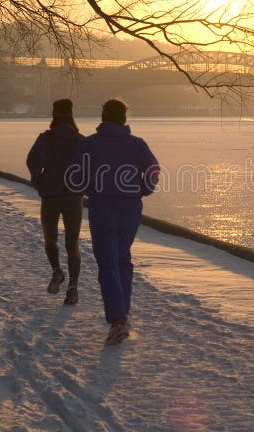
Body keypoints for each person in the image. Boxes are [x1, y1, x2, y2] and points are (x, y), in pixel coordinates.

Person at [80, 99, 159, 345]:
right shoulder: (136, 144)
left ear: (103, 117)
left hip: (102, 207)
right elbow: (154, 169)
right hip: (129, 208)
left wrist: (90, 189)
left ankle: (118, 319)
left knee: (107, 263)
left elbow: (75, 173)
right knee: (122, 258)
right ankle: (123, 312)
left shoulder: (89, 144)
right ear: (124, 119)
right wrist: (143, 189)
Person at [26, 99, 85, 305]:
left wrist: (37, 179)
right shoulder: (80, 140)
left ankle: (57, 271)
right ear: (71, 114)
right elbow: (91, 167)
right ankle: (73, 288)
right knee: (72, 244)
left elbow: (32, 160)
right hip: (73, 198)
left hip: (50, 196)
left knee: (50, 238)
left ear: (54, 114)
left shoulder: (46, 138)